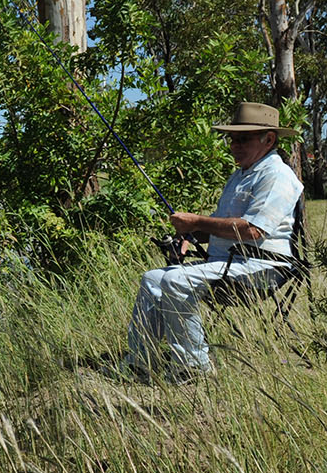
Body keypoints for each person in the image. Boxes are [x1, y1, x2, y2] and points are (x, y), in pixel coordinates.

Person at [125, 101, 303, 381]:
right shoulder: (240, 175)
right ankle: (140, 361)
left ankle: (193, 367)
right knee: (152, 279)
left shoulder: (277, 176)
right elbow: (222, 227)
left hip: (263, 269)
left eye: (242, 139)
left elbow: (254, 231)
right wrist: (188, 235)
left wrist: (196, 221)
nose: (234, 145)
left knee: (175, 281)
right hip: (227, 263)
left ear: (268, 139)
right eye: (231, 139)